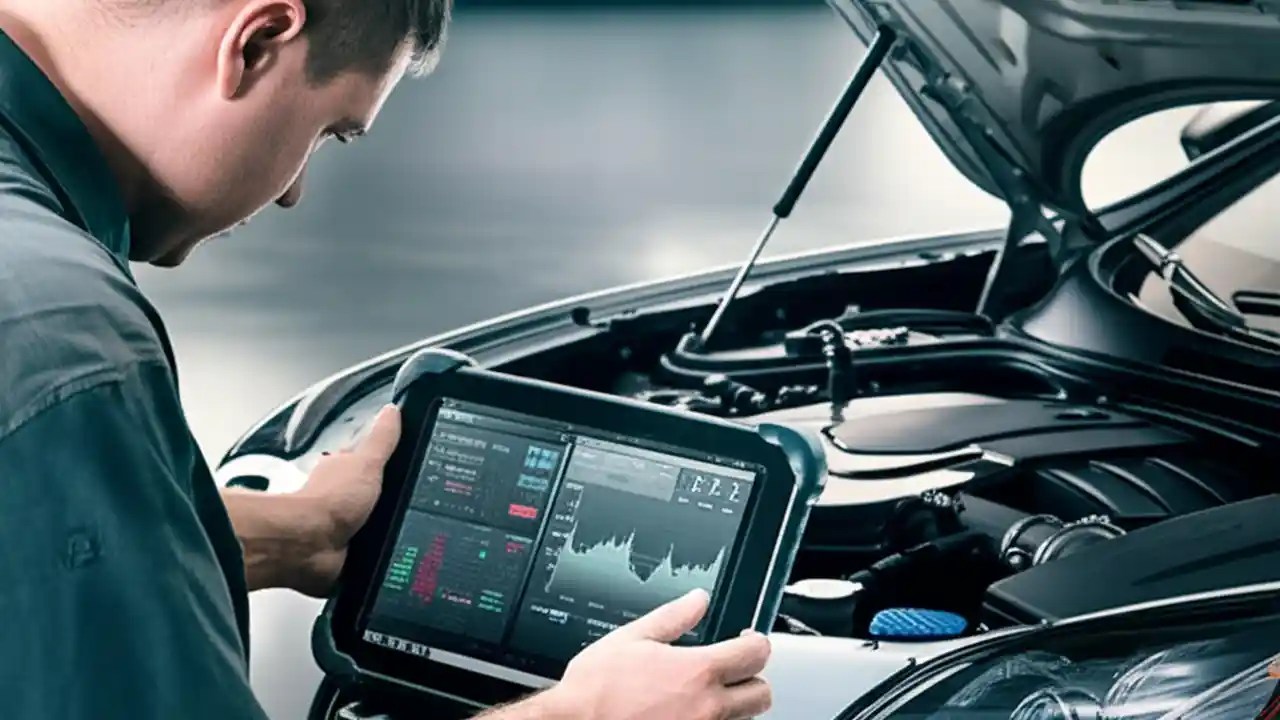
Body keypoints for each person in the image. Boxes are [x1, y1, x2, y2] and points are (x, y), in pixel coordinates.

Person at [0, 0, 774, 718]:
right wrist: (582, 712)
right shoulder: (71, 343)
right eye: (329, 131)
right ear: (259, 41)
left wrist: (293, 534)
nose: (294, 191)